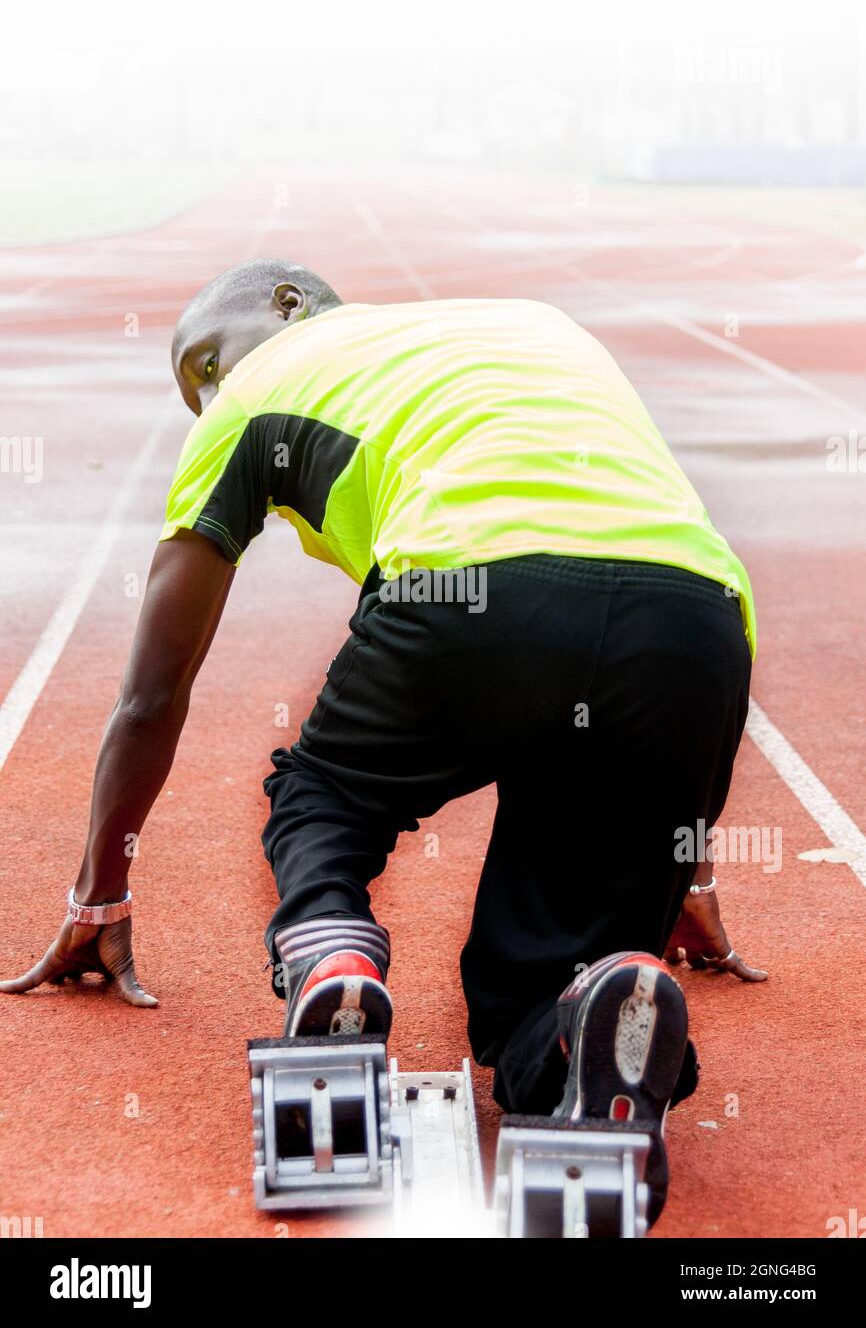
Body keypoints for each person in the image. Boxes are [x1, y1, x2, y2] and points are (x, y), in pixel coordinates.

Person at [1, 259, 766, 1228]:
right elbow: (638, 580)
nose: (202, 396)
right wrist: (674, 868)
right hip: (696, 623)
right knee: (535, 987)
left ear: (288, 305)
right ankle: (585, 1019)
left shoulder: (248, 403)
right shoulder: (534, 325)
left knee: (318, 796)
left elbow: (152, 694)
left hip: (474, 590)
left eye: (202, 362)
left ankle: (332, 960)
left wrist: (100, 887)